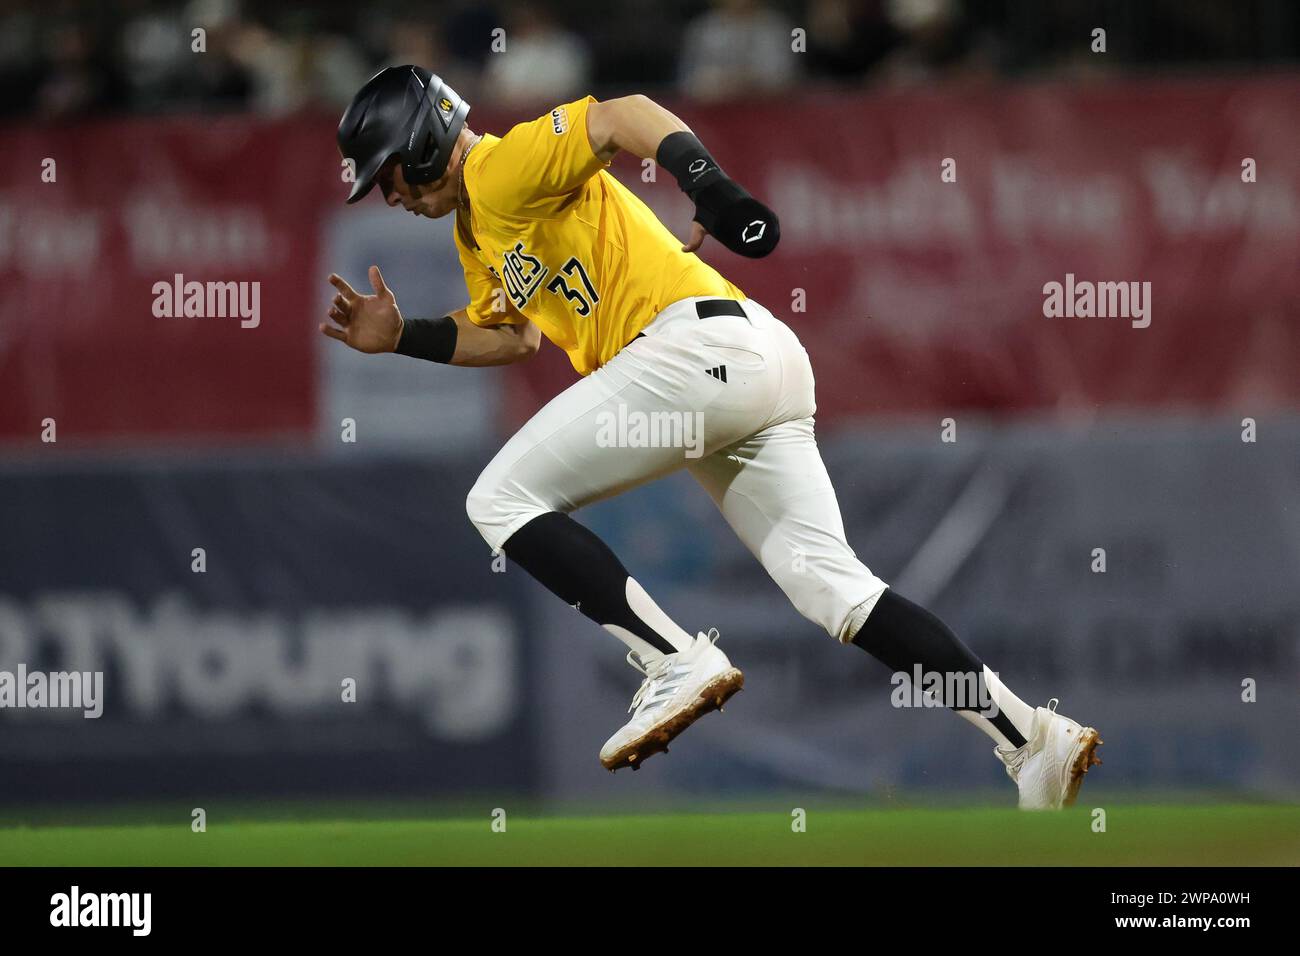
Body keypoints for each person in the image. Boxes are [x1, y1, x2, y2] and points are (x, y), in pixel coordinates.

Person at [327, 66, 1101, 808]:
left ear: (424, 139)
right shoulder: (477, 224)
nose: (386, 193)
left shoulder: (500, 170)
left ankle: (675, 658)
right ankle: (1031, 738)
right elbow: (514, 339)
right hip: (749, 362)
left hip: (692, 354)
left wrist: (708, 183)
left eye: (386, 170)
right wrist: (404, 337)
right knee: (834, 589)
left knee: (498, 499)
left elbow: (620, 115)